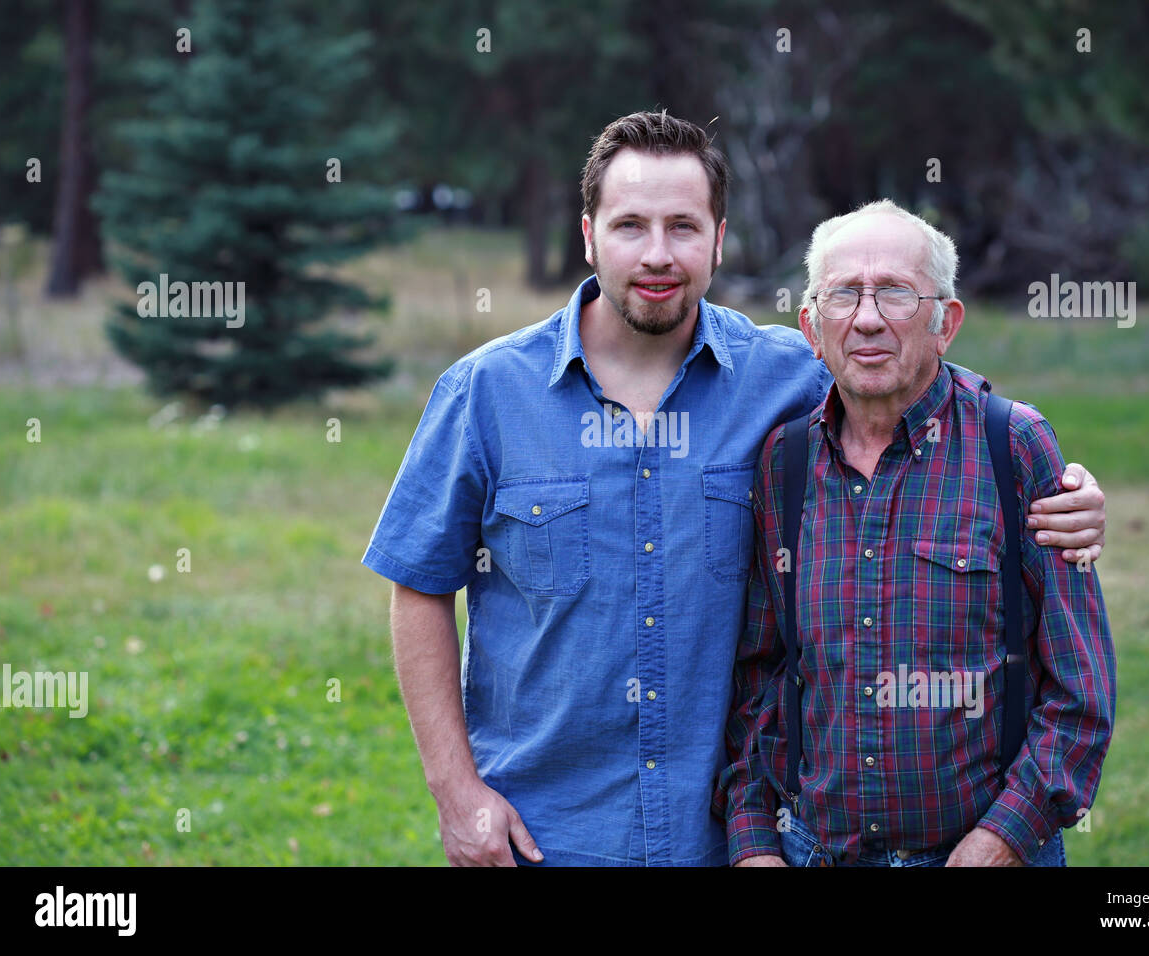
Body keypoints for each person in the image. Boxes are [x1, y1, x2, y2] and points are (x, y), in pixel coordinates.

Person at [361, 111, 1108, 866]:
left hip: (717, 840)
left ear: (719, 239)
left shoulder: (786, 376)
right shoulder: (486, 393)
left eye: (683, 227)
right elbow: (419, 586)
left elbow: (913, 393)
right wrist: (456, 793)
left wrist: (1059, 481)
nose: (658, 254)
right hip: (546, 835)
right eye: (630, 226)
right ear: (588, 235)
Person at [715, 200, 1116, 867]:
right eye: (844, 295)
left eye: (895, 294)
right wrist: (755, 844)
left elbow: (1080, 691)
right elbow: (760, 680)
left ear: (945, 323)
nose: (867, 319)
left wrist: (1002, 841)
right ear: (813, 327)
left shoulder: (1012, 446)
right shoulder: (782, 463)